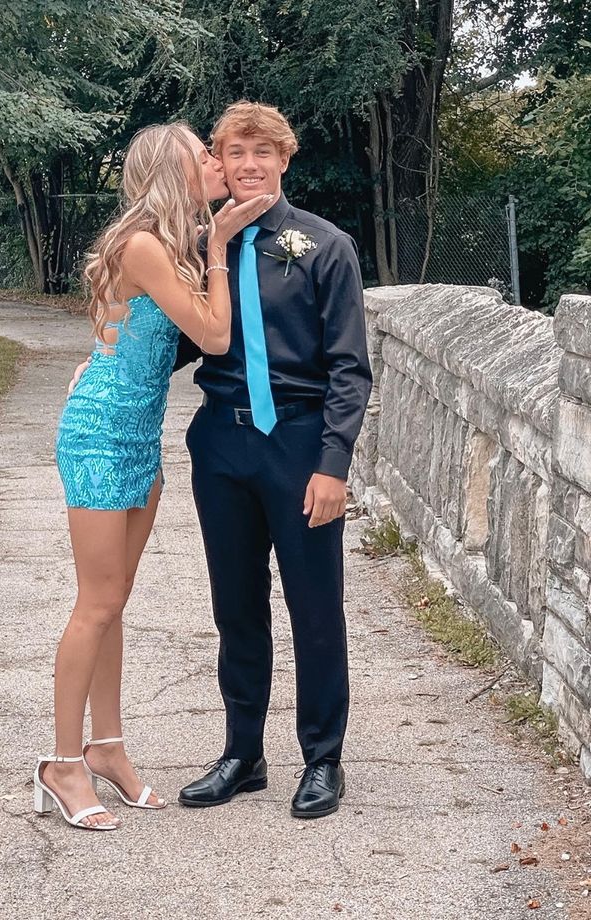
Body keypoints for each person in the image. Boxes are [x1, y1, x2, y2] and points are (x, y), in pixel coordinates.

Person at [34, 121, 273, 830]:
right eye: (204, 154)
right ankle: (61, 764)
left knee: (115, 601)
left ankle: (106, 747)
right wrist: (222, 250)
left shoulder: (163, 242)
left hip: (138, 435)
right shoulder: (143, 243)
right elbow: (216, 337)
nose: (216, 161)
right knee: (96, 604)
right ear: (174, 172)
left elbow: (142, 341)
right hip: (102, 437)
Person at [173, 101, 372, 819]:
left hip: (299, 443)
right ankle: (242, 753)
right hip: (222, 444)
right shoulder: (197, 248)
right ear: (217, 164)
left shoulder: (324, 246)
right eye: (234, 151)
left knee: (315, 607)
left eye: (262, 151)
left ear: (285, 159)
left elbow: (351, 368)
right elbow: (185, 340)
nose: (248, 163)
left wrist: (334, 463)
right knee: (236, 606)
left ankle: (323, 759)